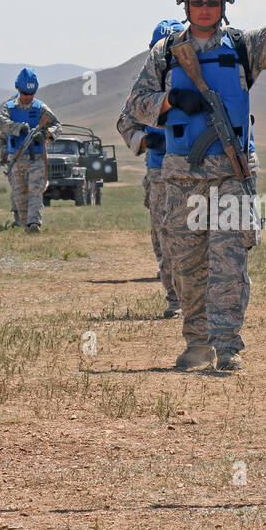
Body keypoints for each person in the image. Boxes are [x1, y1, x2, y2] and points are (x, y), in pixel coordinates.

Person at [127, 0, 266, 371]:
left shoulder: (245, 46)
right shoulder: (165, 52)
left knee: (229, 262)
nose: (205, 8)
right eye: (197, 1)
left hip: (232, 172)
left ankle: (227, 344)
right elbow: (135, 105)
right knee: (188, 268)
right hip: (181, 178)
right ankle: (197, 344)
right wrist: (170, 101)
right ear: (186, 5)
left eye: (213, 1)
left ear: (225, 5)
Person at [117, 19, 184, 317]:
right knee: (164, 234)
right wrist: (146, 141)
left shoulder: (196, 79)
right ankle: (175, 298)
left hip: (194, 169)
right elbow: (125, 123)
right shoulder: (142, 89)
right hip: (158, 172)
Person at [0, 68, 58, 233]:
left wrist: (46, 134)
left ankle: (34, 224)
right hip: (16, 158)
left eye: (31, 93)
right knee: (19, 195)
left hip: (37, 157)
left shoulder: (41, 108)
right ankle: (26, 224)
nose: (27, 97)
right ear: (18, 89)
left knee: (35, 191)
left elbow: (56, 125)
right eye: (25, 93)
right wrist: (19, 128)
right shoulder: (9, 108)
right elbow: (0, 123)